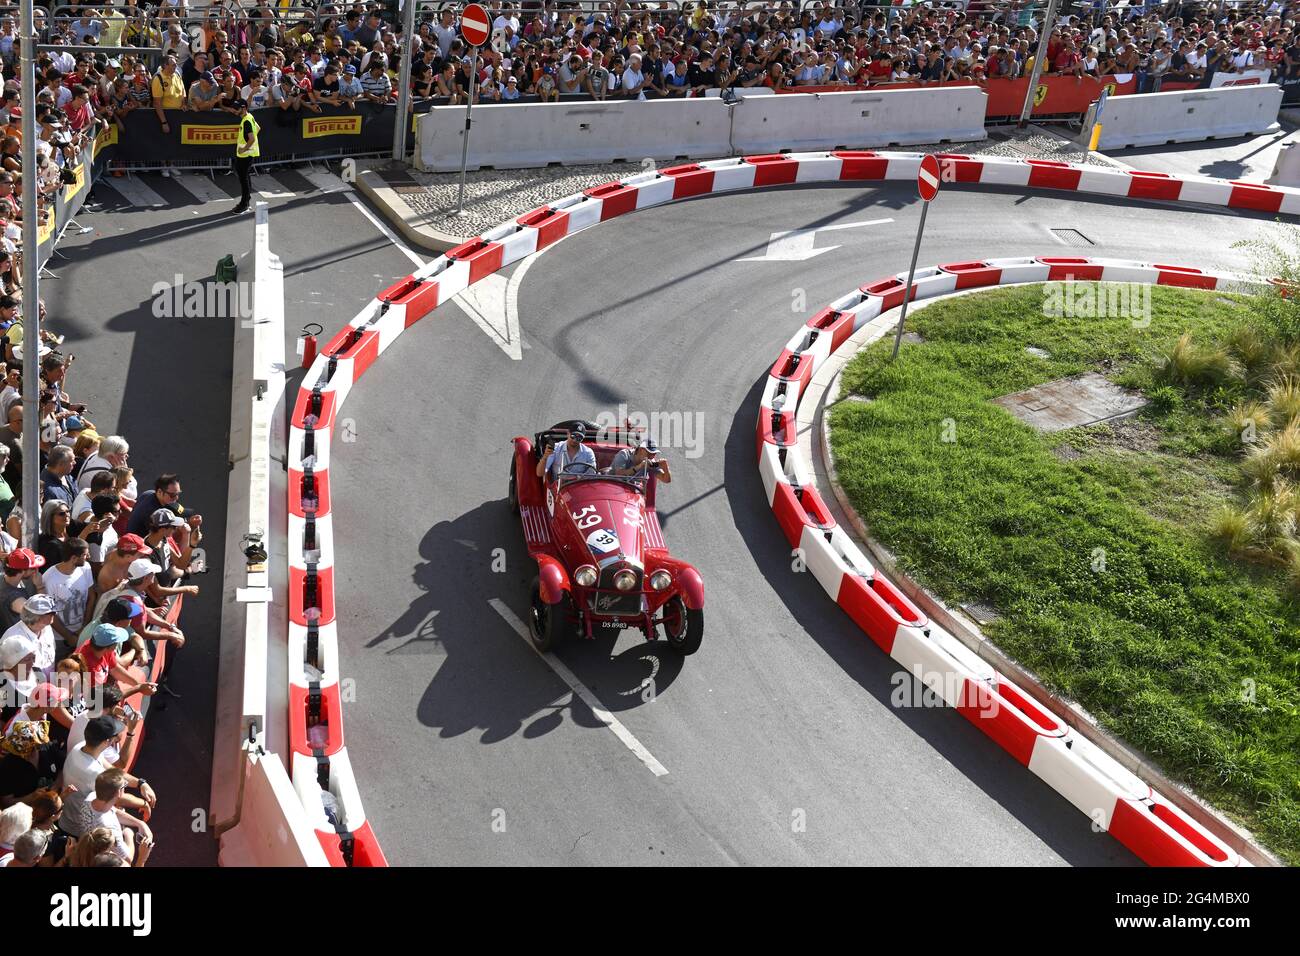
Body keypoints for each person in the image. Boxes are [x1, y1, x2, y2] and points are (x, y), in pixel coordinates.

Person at [230, 97, 258, 216]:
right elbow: (258, 128)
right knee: (245, 177)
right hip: (248, 154)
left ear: (244, 108)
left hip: (245, 155)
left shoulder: (246, 120)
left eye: (237, 109)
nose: (235, 111)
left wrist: (244, 148)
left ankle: (244, 204)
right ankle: (246, 201)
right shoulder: (249, 117)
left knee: (243, 179)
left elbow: (251, 138)